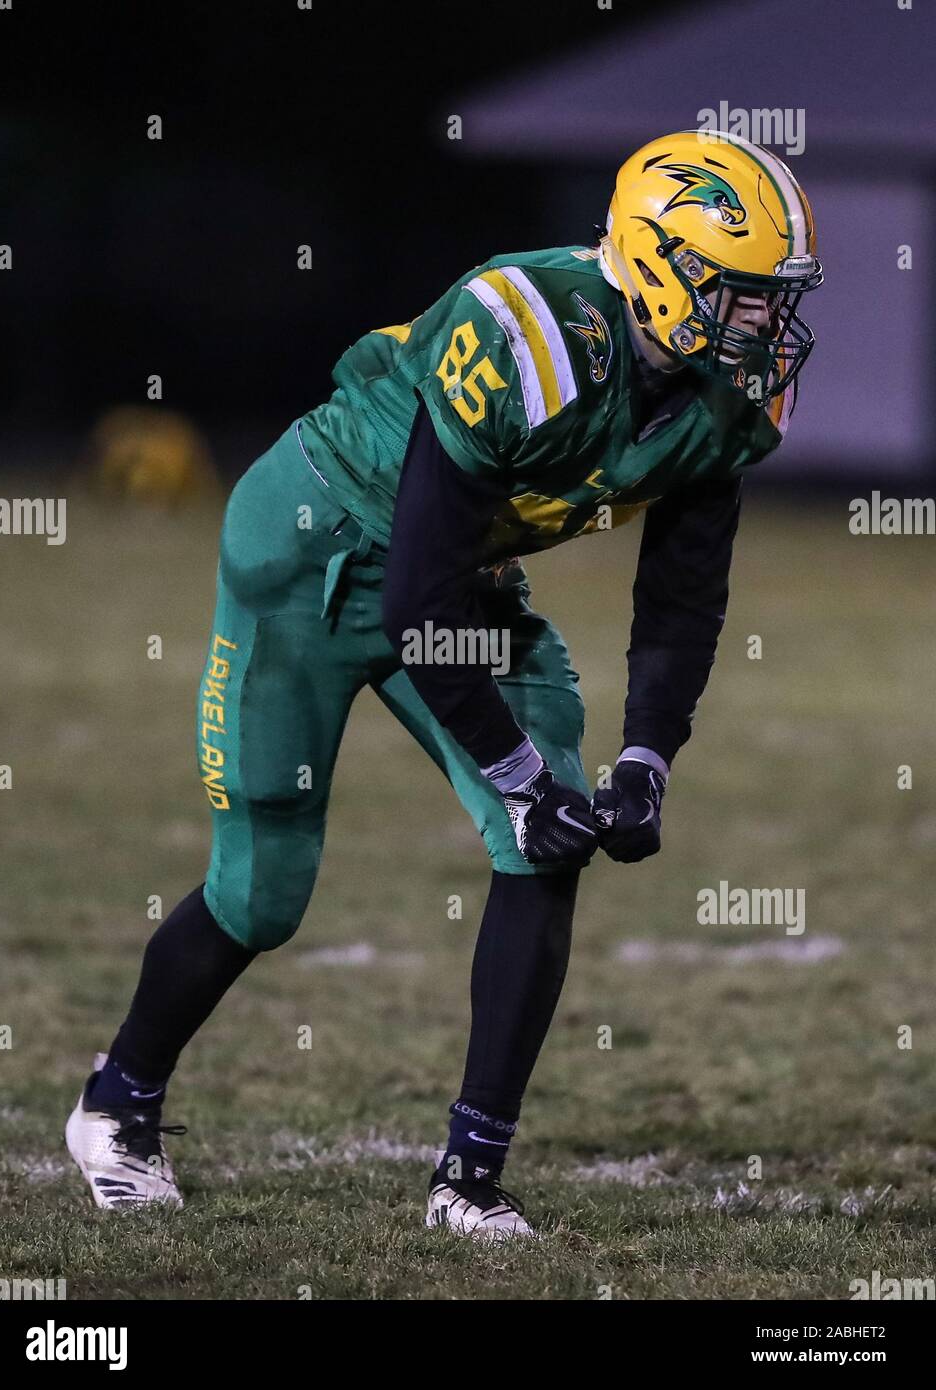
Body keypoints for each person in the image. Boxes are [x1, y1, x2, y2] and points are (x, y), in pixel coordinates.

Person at [66, 129, 822, 1237]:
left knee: (547, 837)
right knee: (264, 889)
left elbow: (683, 592)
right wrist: (514, 771)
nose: (769, 326)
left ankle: (469, 1177)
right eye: (746, 296)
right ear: (662, 269)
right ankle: (115, 1102)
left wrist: (650, 756)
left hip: (452, 572)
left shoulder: (723, 399)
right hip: (315, 547)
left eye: (777, 299)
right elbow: (414, 592)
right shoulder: (527, 333)